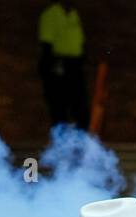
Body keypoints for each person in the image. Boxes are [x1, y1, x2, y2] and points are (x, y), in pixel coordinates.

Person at [38, 1, 89, 130]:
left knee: (79, 103)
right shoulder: (51, 14)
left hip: (75, 64)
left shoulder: (74, 14)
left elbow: (79, 40)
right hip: (59, 63)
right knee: (59, 104)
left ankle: (80, 138)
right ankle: (61, 139)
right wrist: (50, 66)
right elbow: (46, 44)